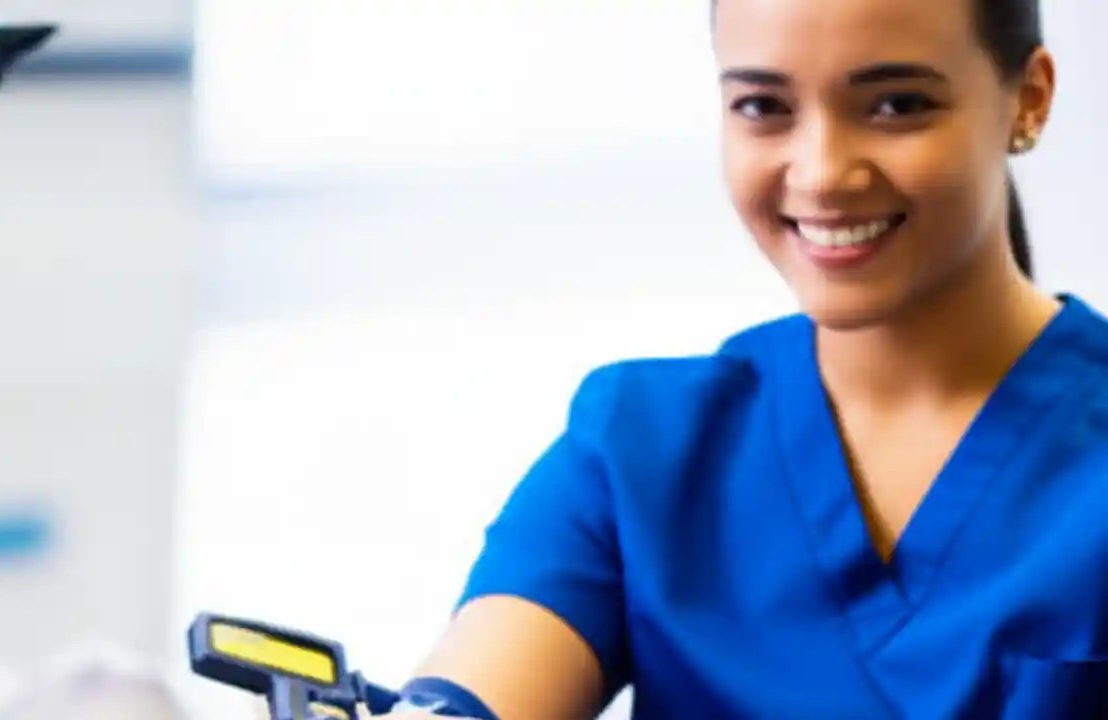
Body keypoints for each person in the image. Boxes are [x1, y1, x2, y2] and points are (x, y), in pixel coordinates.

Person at [379, 0, 1108, 717]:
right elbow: (474, 691)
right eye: (764, 107)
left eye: (897, 104)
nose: (821, 173)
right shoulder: (640, 453)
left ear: (1029, 100)